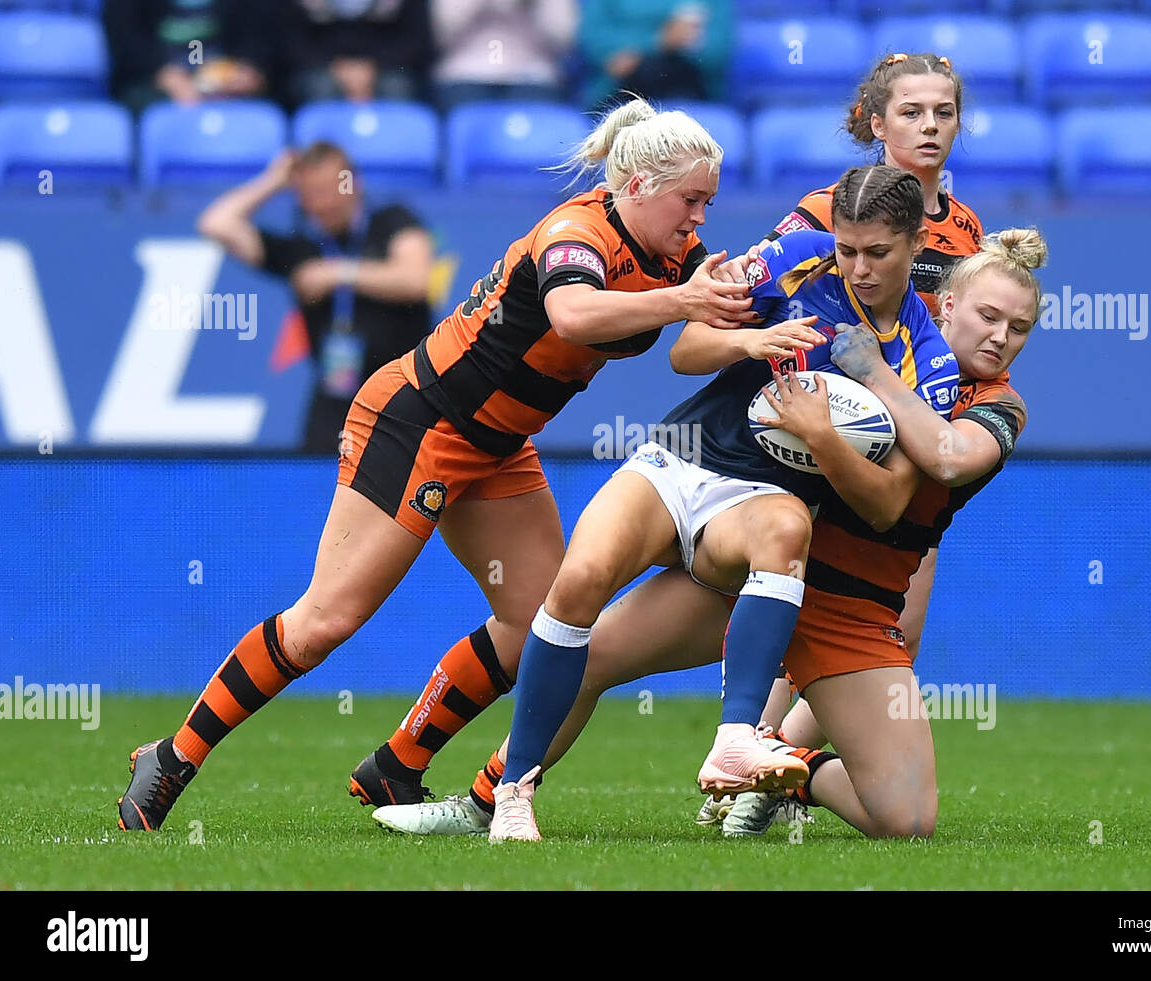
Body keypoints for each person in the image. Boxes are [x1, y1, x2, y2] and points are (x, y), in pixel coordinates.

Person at [117, 100, 749, 831]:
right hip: (418, 420)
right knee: (324, 621)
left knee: (542, 624)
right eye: (690, 200)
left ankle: (396, 767)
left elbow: (702, 321)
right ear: (637, 185)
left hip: (498, 443)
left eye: (707, 202)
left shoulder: (674, 256)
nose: (700, 220)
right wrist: (686, 298)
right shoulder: (576, 231)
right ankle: (170, 754)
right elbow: (574, 315)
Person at [372, 227, 1044, 840]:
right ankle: (492, 798)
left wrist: (867, 384)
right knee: (589, 652)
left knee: (909, 820)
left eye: (1019, 327)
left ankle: (793, 771)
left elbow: (924, 477)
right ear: (946, 305)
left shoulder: (992, 404)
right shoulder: (867, 323)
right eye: (988, 316)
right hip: (761, 571)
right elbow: (705, 339)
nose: (1000, 336)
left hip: (851, 611)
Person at [736, 51, 984, 774]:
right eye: (911, 112)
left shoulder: (964, 226)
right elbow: (758, 288)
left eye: (944, 113)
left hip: (911, 443)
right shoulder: (827, 210)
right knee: (806, 608)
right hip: (822, 436)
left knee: (893, 633)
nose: (929, 126)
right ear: (877, 122)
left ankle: (777, 763)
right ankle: (745, 752)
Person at [196, 142, 434, 453]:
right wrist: (273, 181)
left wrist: (337, 273)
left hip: (405, 393)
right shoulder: (302, 248)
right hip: (337, 397)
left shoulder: (391, 220)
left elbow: (417, 279)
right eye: (312, 192)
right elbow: (216, 224)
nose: (323, 202)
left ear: (353, 184)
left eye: (330, 188)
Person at [103, 0, 275, 114]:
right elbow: (126, 42)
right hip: (155, 84)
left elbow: (258, 41)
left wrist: (249, 69)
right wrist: (164, 75)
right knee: (142, 103)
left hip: (228, 84)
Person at [578, 1, 731, 110]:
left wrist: (684, 40)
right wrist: (661, 40)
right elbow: (594, 42)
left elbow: (719, 50)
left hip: (693, 91)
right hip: (619, 92)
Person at [431, 0, 578, 112]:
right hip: (464, 76)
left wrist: (532, 5)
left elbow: (565, 41)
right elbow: (438, 37)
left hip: (534, 75)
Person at [280, 0, 431, 106]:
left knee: (397, 88)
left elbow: (415, 38)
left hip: (387, 66)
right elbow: (291, 38)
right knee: (320, 88)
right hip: (321, 65)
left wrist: (373, 66)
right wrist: (336, 66)